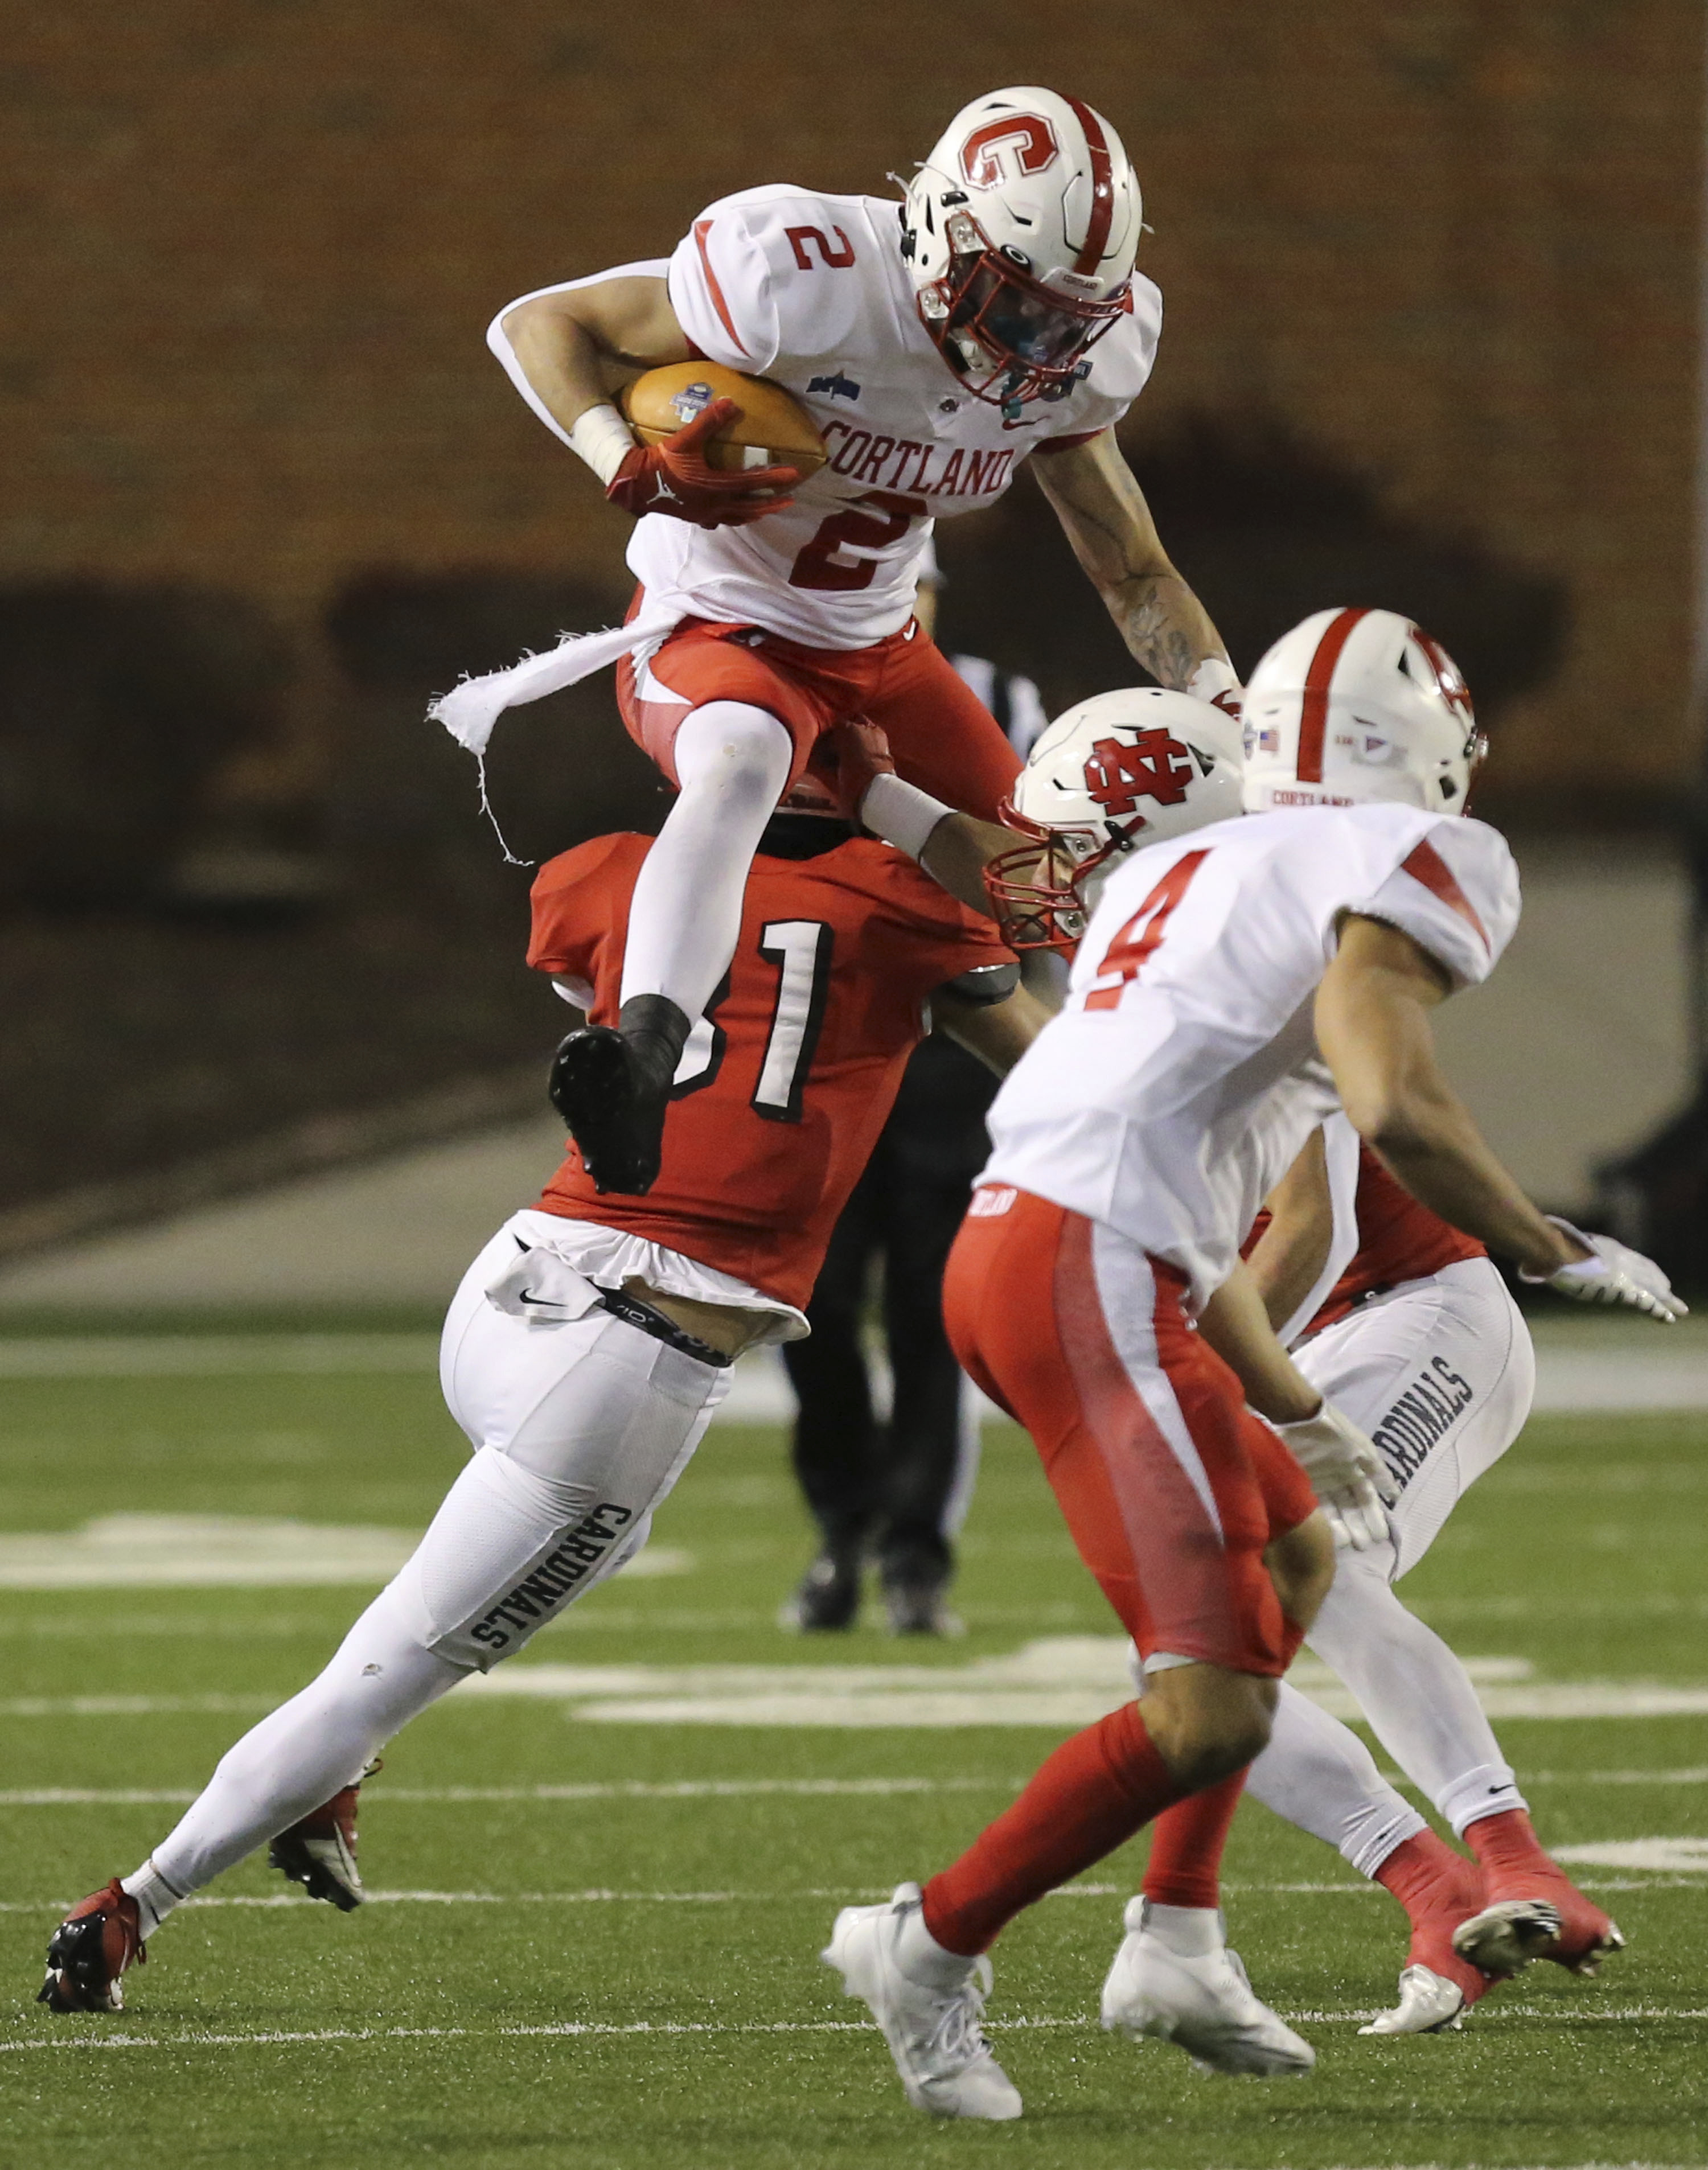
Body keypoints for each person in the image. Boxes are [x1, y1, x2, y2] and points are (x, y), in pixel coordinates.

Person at [816, 608, 1678, 2120]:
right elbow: (1390, 1102)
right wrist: (1553, 1244)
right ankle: (931, 1940)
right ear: (1419, 742)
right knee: (1205, 1705)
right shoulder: (1408, 856)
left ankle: (1183, 1932)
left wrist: (1285, 1404)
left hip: (1047, 1253)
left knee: (1293, 1564)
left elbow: (1175, 1185)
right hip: (1095, 1267)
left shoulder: (1165, 883)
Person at [36, 779, 1049, 2015]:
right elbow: (1049, 1063)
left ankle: (323, 1780)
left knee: (595, 1552)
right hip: (633, 1358)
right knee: (389, 1667)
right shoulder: (907, 904)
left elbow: (618, 1016)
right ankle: (132, 1903)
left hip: (515, 1282)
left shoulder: (611, 869)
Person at [433, 87, 1239, 1199]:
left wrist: (1236, 720)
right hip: (721, 624)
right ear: (944, 233)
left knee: (1051, 881)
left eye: (1066, 323)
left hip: (882, 652)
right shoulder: (802, 281)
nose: (1037, 348)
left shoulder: (1067, 361)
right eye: (1017, 306)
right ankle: (640, 1059)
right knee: (743, 761)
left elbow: (1135, 569)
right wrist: (624, 458)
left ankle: (1158, 1135)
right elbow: (536, 324)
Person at [1212, 1113, 1631, 2033]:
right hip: (1293, 1344)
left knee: (1325, 1559)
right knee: (1184, 1662)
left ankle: (1516, 1859)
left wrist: (1198, 1386)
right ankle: (1435, 1890)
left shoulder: (1234, 1024)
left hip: (1414, 1309)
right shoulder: (1072, 1074)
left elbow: (1313, 1225)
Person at [781, 550, 1048, 1635]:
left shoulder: (998, 700)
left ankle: (915, 1554)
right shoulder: (769, 686)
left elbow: (1039, 861)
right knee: (809, 1303)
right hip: (818, 1031)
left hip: (953, 1033)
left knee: (937, 1309)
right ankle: (843, 1526)